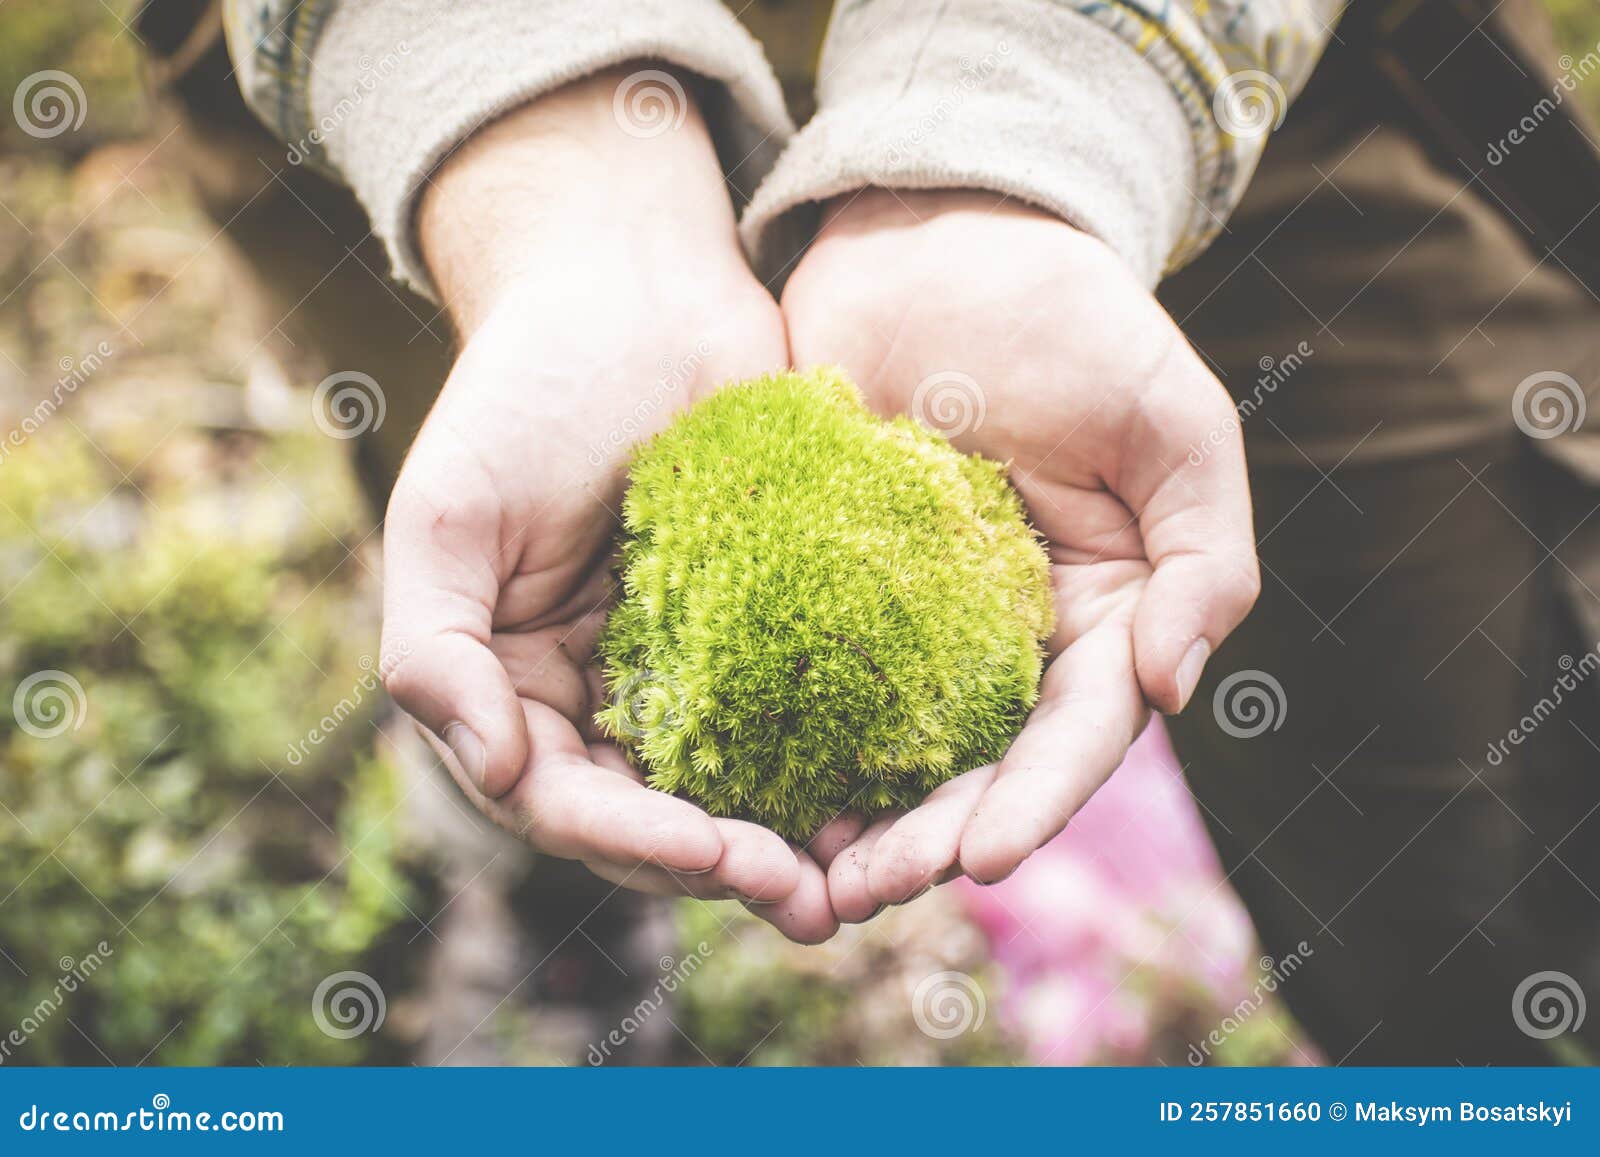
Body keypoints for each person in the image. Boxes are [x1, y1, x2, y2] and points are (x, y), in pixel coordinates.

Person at [141, 0, 1600, 1063]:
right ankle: (548, 900)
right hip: (423, 77)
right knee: (530, 576)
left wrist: (1025, 117)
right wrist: (541, 149)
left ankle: (1482, 1033)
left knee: (1479, 842)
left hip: (1183, 58)